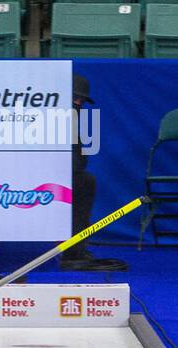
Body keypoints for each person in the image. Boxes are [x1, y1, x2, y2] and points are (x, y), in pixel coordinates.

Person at [59, 75, 127, 274]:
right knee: (83, 182)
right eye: (74, 99)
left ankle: (75, 246)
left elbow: (78, 160)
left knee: (84, 181)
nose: (78, 104)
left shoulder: (69, 121)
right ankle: (72, 249)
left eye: (81, 101)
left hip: (57, 175)